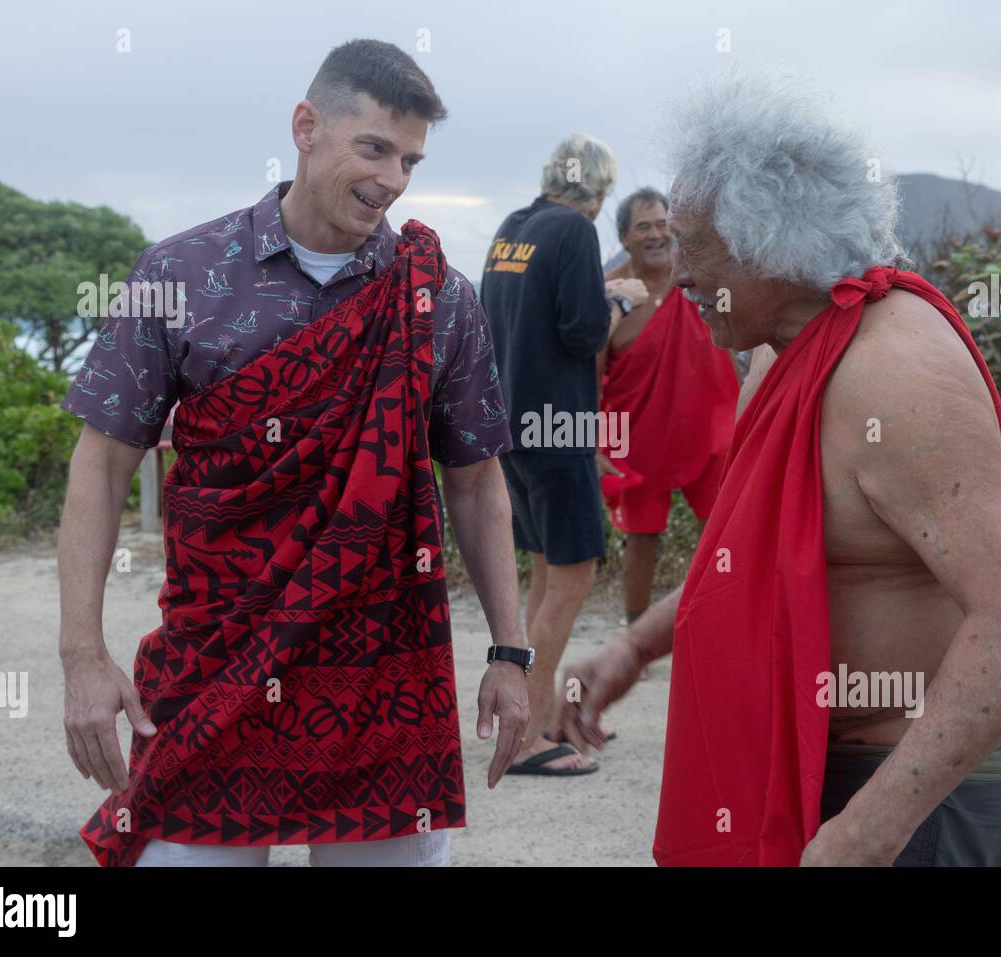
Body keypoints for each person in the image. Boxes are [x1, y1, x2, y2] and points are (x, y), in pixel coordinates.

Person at [560, 65, 1001, 866]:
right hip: (817, 779)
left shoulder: (896, 373)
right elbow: (756, 560)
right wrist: (631, 649)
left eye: (698, 250)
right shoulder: (778, 353)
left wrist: (870, 829)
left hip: (916, 805)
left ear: (772, 243)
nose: (681, 275)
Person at [59, 39, 529, 867]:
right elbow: (101, 463)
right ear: (306, 127)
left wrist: (510, 652)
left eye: (411, 160)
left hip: (384, 674)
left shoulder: (436, 297)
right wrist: (83, 655)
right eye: (374, 148)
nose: (393, 179)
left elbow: (478, 480)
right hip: (218, 661)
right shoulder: (183, 273)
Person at [480, 133, 619, 776]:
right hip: (558, 430)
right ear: (596, 190)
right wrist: (618, 299)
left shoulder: (514, 227)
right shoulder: (575, 231)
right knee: (573, 578)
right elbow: (585, 331)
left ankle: (523, 719)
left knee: (542, 575)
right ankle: (530, 735)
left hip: (510, 425)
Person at [600, 187, 738, 626]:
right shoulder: (609, 295)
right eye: (644, 227)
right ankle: (636, 632)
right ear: (624, 237)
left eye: (662, 224)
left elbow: (739, 341)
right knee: (642, 540)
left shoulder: (700, 277)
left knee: (723, 531)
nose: (656, 235)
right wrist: (590, 443)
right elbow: (588, 371)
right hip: (639, 436)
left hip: (709, 428)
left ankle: (719, 619)